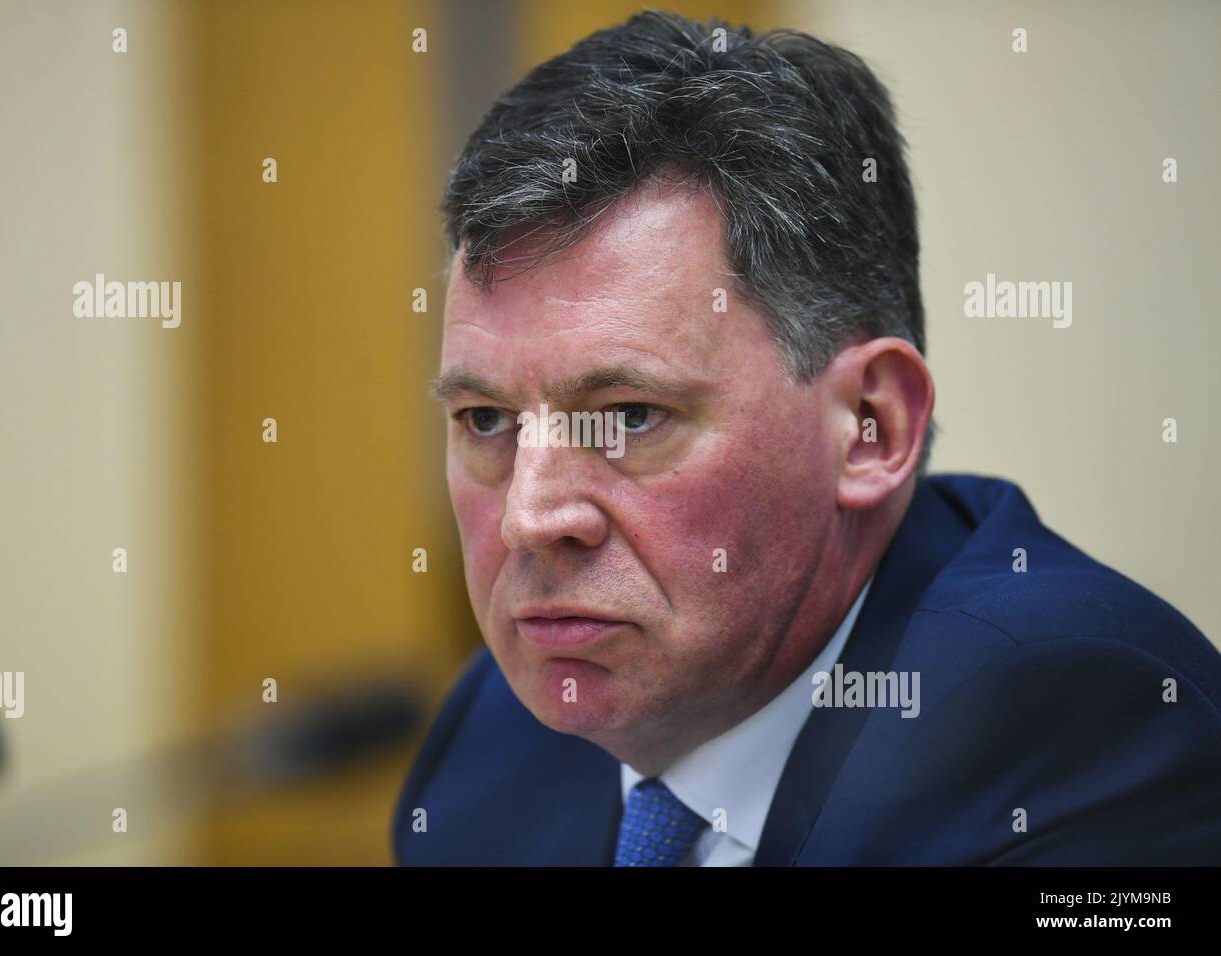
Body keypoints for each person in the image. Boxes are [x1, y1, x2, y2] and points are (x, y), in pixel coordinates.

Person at [392, 10, 1221, 865]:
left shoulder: (1069, 729)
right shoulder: (492, 747)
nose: (530, 517)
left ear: (871, 426)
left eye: (630, 415)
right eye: (485, 421)